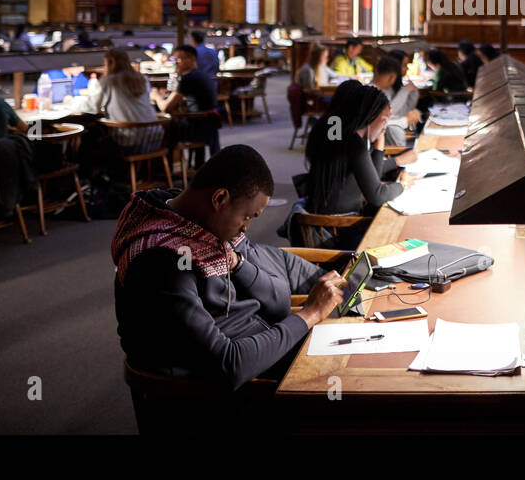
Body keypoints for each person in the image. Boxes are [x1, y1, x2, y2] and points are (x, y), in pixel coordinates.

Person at [112, 145, 345, 392]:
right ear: (220, 198)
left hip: (259, 347)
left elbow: (278, 306)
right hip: (219, 397)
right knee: (348, 379)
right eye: (247, 217)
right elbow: (229, 365)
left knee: (350, 348)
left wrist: (238, 263)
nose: (246, 229)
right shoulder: (164, 263)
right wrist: (309, 315)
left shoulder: (208, 232)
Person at [303, 81, 409, 217]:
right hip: (339, 223)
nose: (385, 127)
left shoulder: (334, 130)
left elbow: (374, 178)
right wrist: (403, 185)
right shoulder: (353, 143)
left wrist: (380, 135)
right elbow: (377, 195)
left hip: (322, 215)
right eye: (384, 121)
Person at [91, 49, 159, 123]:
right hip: (153, 129)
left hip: (126, 131)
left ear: (109, 62)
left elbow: (94, 106)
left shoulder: (109, 80)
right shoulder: (142, 78)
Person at [373, 55, 421, 146]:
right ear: (392, 77)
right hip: (387, 147)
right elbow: (374, 125)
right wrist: (406, 121)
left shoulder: (387, 90)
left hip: (395, 140)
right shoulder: (374, 93)